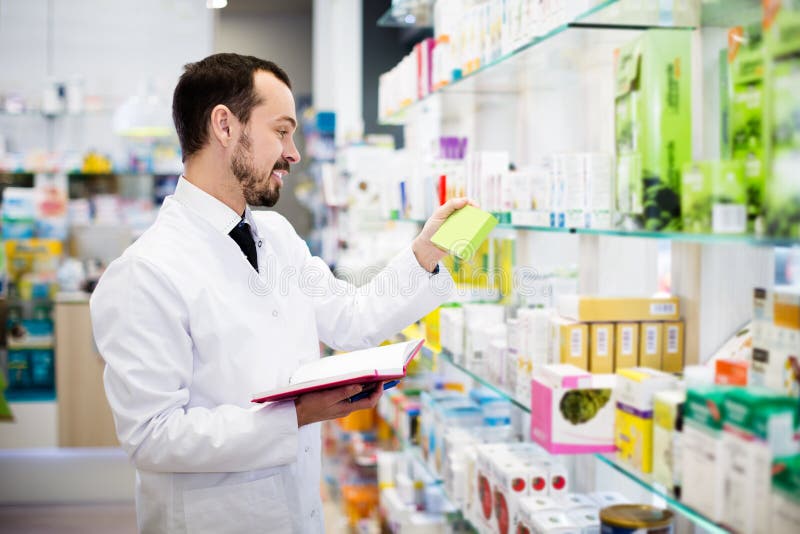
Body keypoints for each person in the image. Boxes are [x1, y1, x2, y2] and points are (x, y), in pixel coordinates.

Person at [90, 53, 470, 534]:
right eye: (282, 131)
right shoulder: (144, 273)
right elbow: (151, 437)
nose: (294, 153)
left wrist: (424, 252)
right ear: (225, 126)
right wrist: (295, 416)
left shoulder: (278, 236)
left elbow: (351, 321)